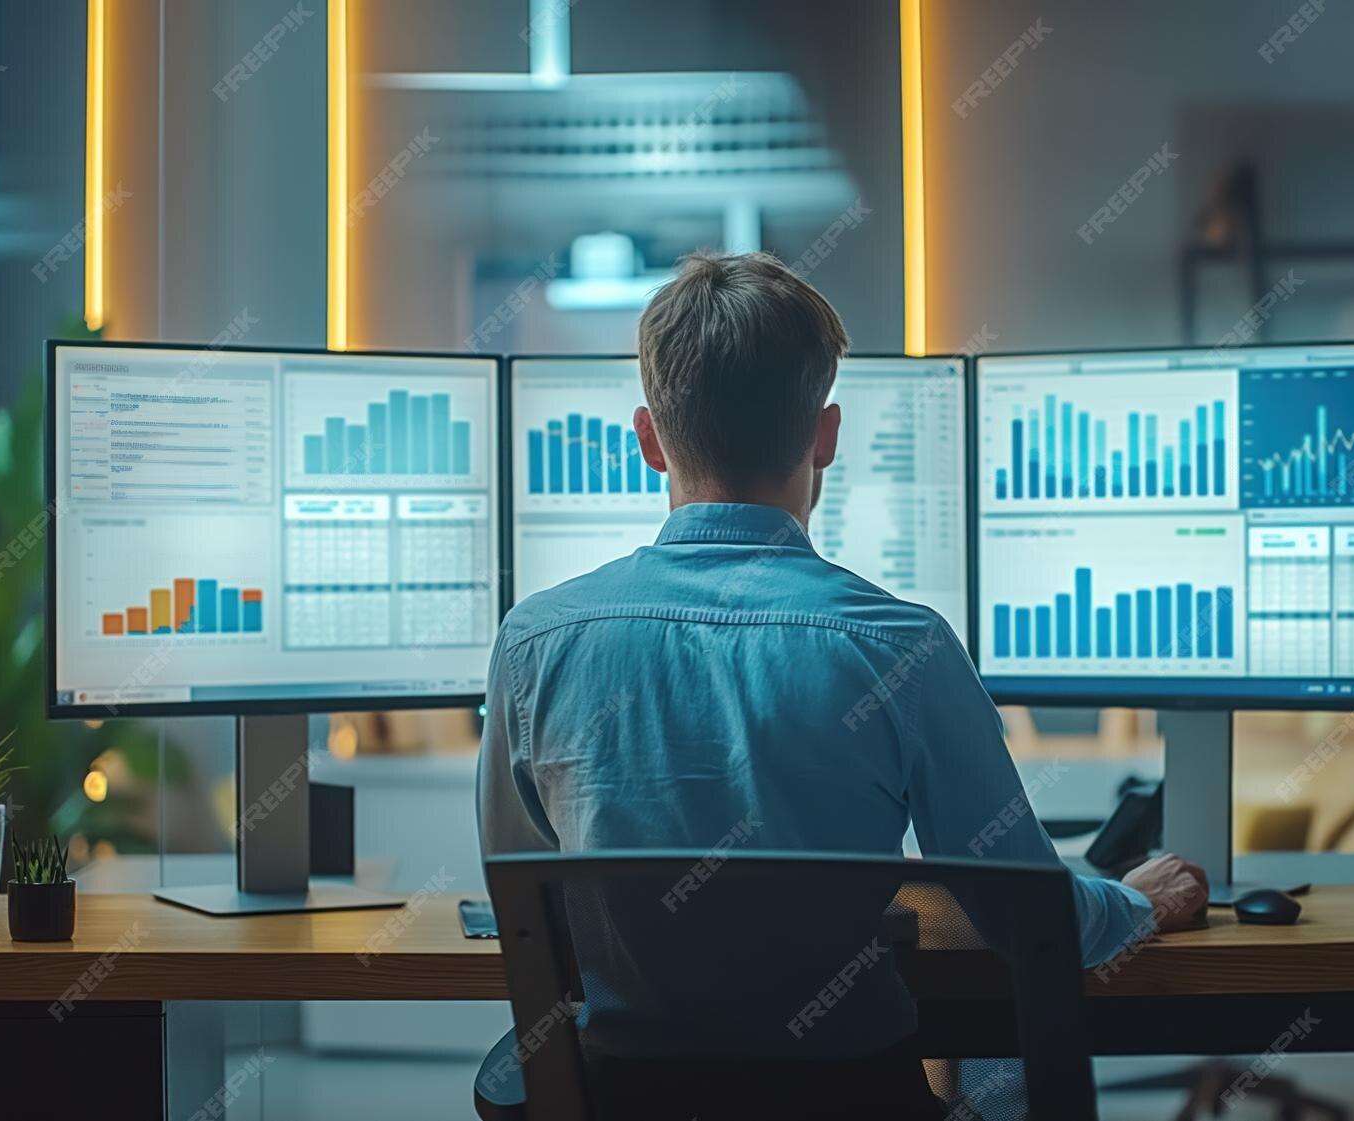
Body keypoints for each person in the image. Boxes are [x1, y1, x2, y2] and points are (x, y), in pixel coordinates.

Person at [478, 250, 1207, 1118]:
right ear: (825, 435)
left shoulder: (536, 643)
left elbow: (525, 900)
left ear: (647, 438)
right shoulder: (901, 646)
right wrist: (1135, 902)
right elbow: (1028, 919)